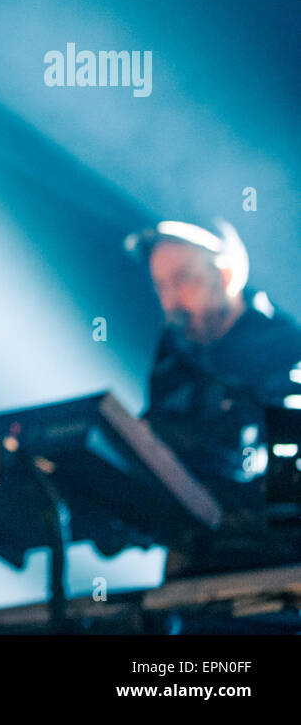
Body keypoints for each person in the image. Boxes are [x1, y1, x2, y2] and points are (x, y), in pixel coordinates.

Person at [125, 219, 301, 578]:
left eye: (183, 279)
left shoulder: (284, 349)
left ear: (226, 276)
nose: (172, 300)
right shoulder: (172, 358)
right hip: (193, 562)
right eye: (161, 286)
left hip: (271, 575)